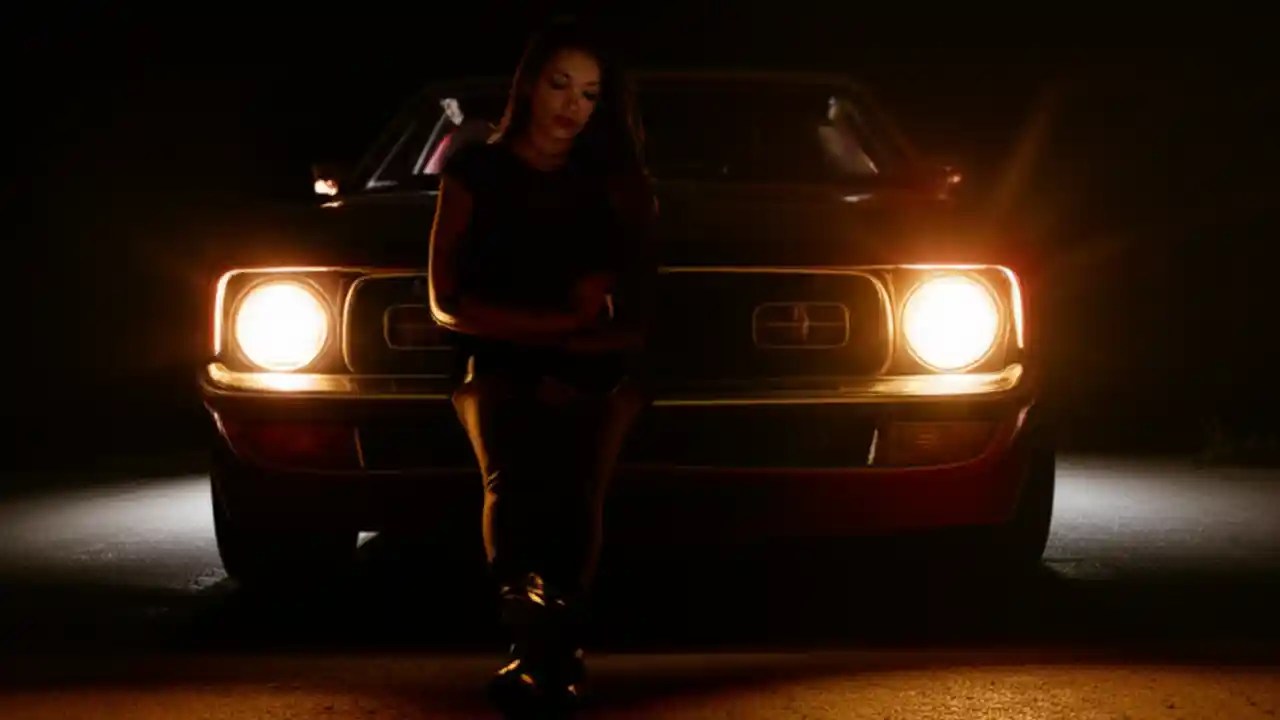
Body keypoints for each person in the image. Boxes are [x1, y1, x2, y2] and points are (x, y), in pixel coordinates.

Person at [426, 18, 658, 715]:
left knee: (579, 478)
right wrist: (554, 326)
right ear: (528, 85)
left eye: (589, 93)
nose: (571, 105)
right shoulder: (472, 171)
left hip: (598, 363)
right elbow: (445, 301)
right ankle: (540, 651)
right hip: (496, 358)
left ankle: (548, 651)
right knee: (512, 470)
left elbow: (637, 305)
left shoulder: (616, 182)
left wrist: (582, 337)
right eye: (559, 84)